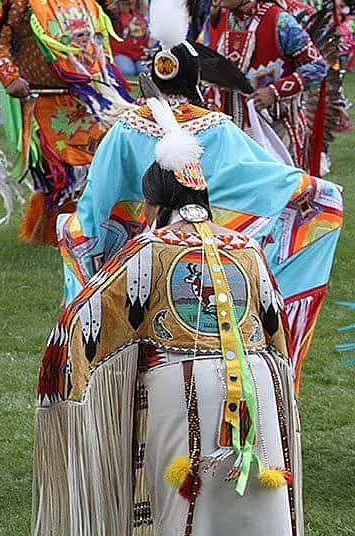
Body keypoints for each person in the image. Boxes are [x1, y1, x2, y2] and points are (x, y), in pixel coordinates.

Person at [29, 97, 337, 536]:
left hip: (181, 390)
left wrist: (59, 388)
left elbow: (86, 323)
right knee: (256, 511)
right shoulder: (248, 248)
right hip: (256, 393)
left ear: (154, 204)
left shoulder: (145, 252)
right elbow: (277, 336)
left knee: (185, 518)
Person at [57, 0, 344, 385]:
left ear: (151, 80)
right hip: (209, 267)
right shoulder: (219, 130)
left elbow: (96, 206)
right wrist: (321, 194)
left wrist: (77, 233)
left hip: (139, 268)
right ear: (196, 81)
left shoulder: (125, 130)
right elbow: (267, 182)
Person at [0, 0, 134, 242]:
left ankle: (102, 229)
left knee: (102, 164)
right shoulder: (20, 3)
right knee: (61, 176)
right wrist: (9, 77)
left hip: (90, 97)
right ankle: (58, 233)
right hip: (46, 101)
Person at [202, 0, 327, 170]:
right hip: (230, 129)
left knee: (280, 183)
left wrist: (274, 92)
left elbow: (317, 66)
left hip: (275, 129)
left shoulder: (280, 21)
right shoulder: (220, 19)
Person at [109, 0, 150, 77]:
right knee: (128, 72)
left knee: (146, 71)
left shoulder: (144, 11)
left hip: (141, 54)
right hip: (121, 53)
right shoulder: (114, 12)